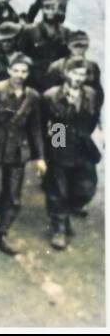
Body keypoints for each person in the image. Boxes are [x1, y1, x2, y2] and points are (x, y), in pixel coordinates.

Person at [0, 53, 45, 255]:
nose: (19, 75)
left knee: (12, 196)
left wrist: (40, 157)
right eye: (16, 70)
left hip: (18, 151)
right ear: (9, 70)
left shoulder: (33, 97)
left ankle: (0, 233)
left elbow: (36, 128)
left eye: (24, 71)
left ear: (28, 73)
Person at [40, 59, 100, 251]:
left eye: (82, 75)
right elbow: (42, 125)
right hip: (61, 136)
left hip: (82, 141)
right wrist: (44, 153)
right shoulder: (51, 96)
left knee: (86, 186)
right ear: (66, 73)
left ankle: (69, 210)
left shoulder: (91, 94)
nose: (78, 79)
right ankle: (58, 227)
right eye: (74, 74)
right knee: (58, 188)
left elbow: (94, 119)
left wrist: (95, 136)